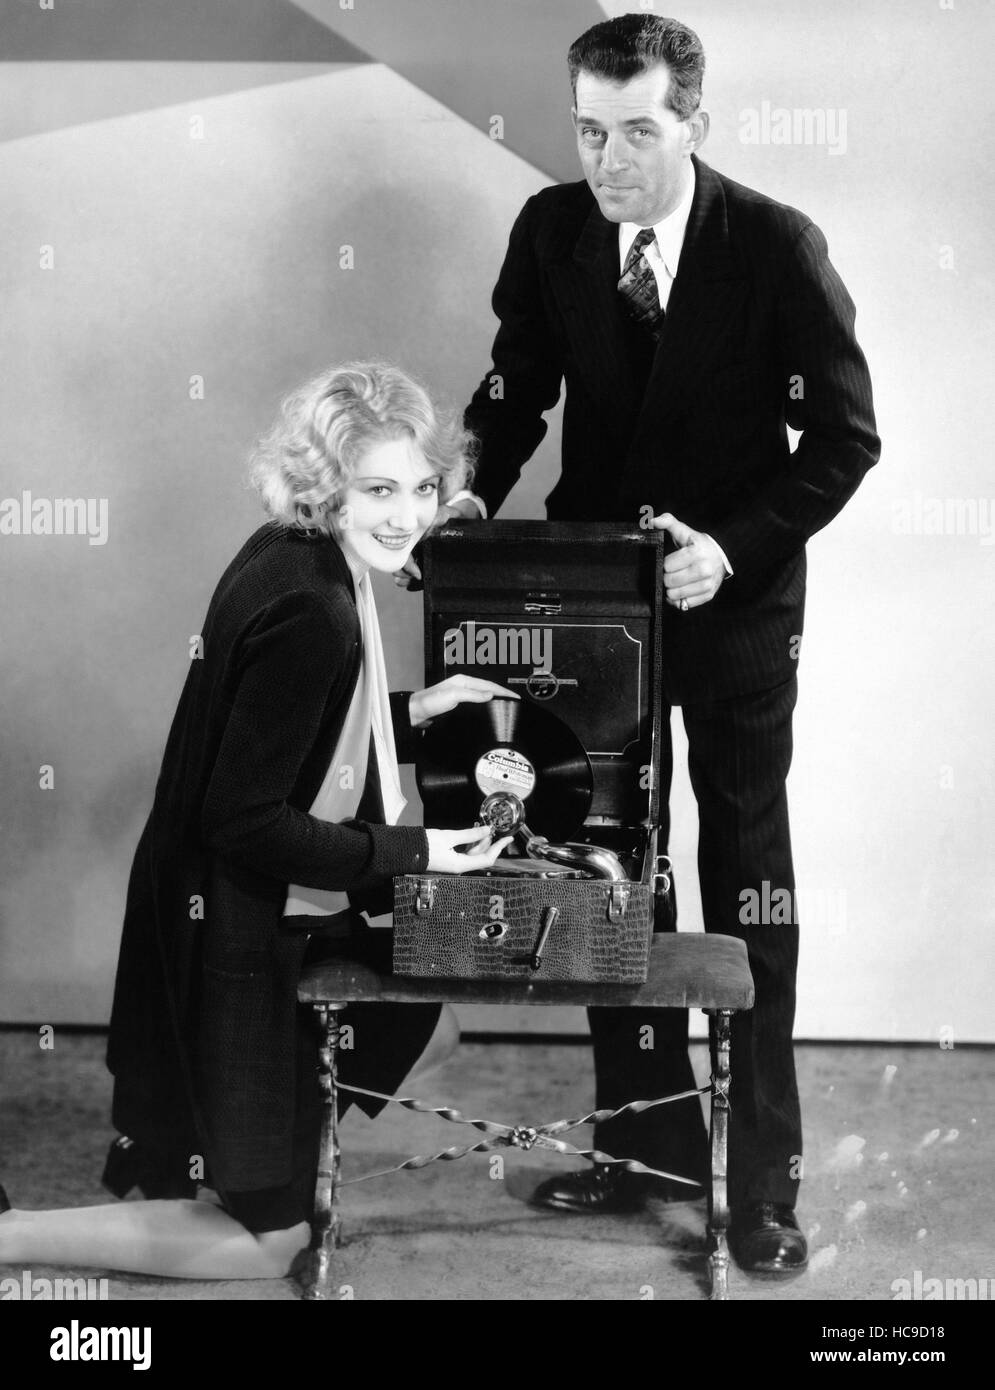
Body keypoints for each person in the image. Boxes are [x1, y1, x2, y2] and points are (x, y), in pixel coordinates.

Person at [439, 14, 880, 1275]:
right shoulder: (551, 232)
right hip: (593, 613)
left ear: (694, 122)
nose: (608, 159)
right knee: (600, 878)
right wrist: (474, 483)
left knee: (749, 892)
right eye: (588, 129)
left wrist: (729, 548)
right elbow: (514, 384)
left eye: (637, 130)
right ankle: (648, 1154)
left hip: (731, 613)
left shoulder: (777, 247)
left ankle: (762, 1189)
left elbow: (844, 441)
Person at [0, 362, 514, 1280]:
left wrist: (412, 708)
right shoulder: (318, 613)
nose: (407, 515)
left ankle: (246, 1150)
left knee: (422, 1026)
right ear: (330, 487)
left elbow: (289, 732)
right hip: (234, 926)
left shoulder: (289, 549)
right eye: (378, 490)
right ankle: (14, 1238)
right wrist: (421, 851)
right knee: (272, 1242)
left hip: (204, 894)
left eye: (423, 488)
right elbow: (245, 818)